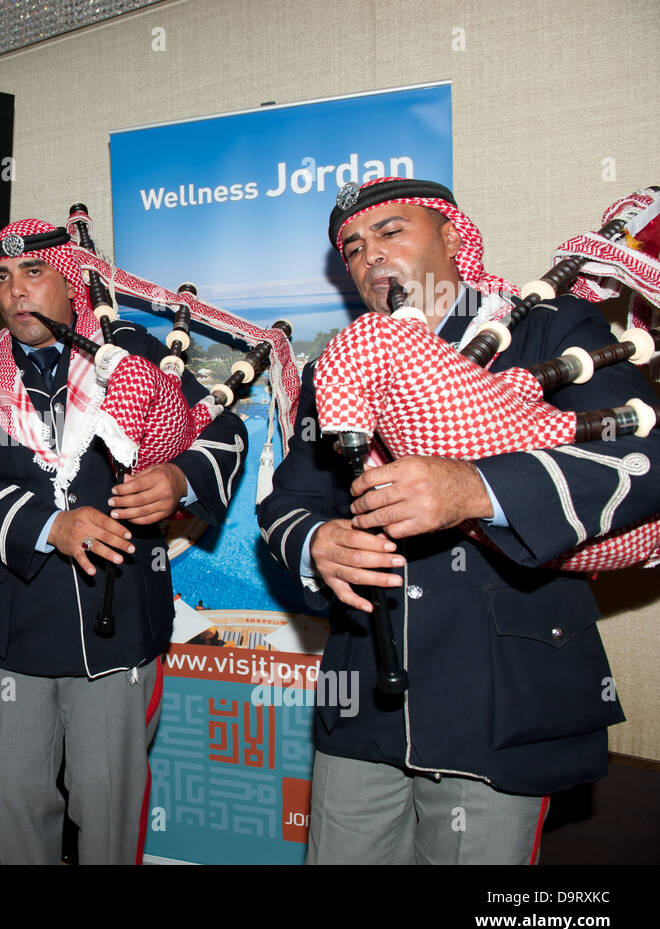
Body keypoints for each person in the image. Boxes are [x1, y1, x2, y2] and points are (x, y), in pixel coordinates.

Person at [258, 178, 660, 864]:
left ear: (452, 235)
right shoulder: (340, 363)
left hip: (499, 696)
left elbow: (643, 457)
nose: (369, 256)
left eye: (391, 231)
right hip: (365, 699)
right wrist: (317, 542)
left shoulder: (549, 327)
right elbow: (287, 503)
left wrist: (477, 488)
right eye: (352, 247)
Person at [0, 218, 248, 865]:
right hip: (16, 625)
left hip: (118, 624)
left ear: (71, 278)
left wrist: (178, 477)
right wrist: (51, 526)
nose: (15, 291)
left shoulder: (131, 350)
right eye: (1, 277)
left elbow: (220, 430)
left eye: (33, 272)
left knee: (108, 809)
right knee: (18, 803)